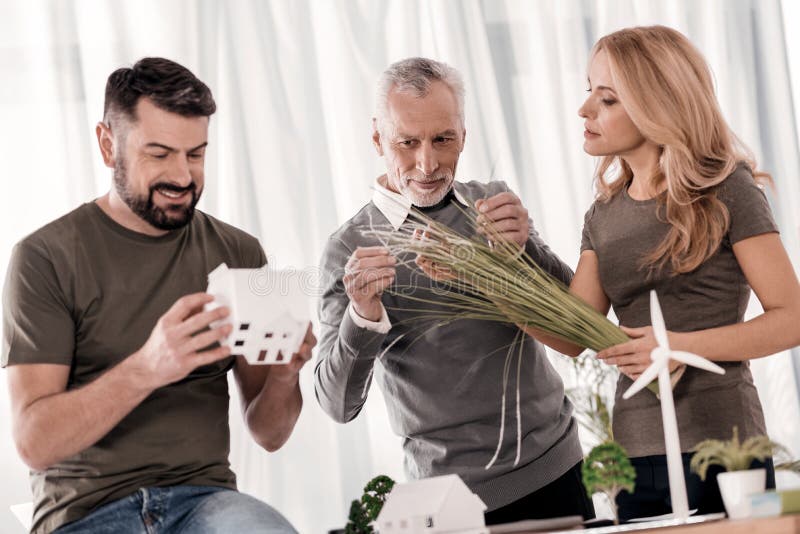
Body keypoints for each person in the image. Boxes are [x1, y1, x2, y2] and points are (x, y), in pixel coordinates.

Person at [2, 57, 315, 534]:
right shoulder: (45, 258)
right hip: (86, 513)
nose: (183, 176)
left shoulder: (238, 252)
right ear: (108, 145)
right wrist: (149, 367)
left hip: (205, 503)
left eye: (196, 154)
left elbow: (269, 434)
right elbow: (34, 443)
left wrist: (284, 375)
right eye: (160, 154)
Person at [523, 26, 800, 521]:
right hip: (635, 454)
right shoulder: (602, 215)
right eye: (589, 91)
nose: (584, 110)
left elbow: (791, 318)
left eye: (607, 98)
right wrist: (489, 278)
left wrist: (675, 347)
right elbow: (571, 336)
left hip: (726, 448)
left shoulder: (727, 190)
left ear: (657, 105)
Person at [314, 57, 594, 525]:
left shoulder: (492, 202)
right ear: (378, 139)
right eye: (407, 142)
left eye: (442, 139)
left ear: (463, 134)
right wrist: (361, 316)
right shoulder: (349, 247)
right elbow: (337, 405)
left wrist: (524, 250)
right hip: (448, 503)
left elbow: (581, 321)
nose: (427, 163)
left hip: (556, 469)